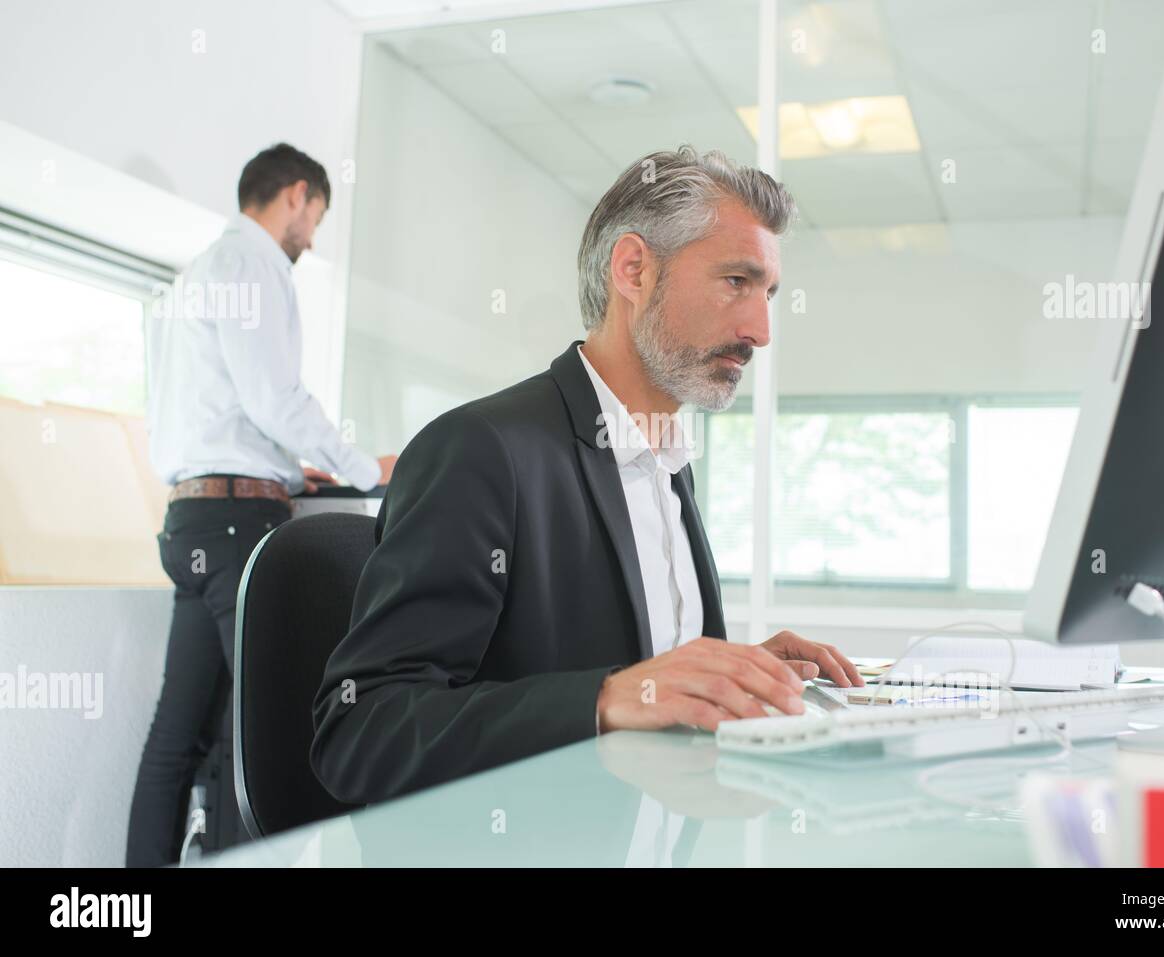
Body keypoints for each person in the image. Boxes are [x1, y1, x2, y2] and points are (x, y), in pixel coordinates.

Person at [310, 145, 863, 807]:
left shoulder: (668, 465)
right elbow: (361, 729)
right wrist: (603, 700)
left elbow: (637, 670)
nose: (760, 329)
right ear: (634, 269)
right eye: (736, 281)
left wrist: (726, 676)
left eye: (768, 292)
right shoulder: (481, 451)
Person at [128, 143, 397, 866]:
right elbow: (275, 396)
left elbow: (226, 410)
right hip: (235, 524)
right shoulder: (253, 265)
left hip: (192, 522)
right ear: (297, 196)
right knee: (281, 732)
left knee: (179, 736)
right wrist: (361, 467)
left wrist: (287, 467)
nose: (311, 235)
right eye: (315, 217)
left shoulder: (196, 273)